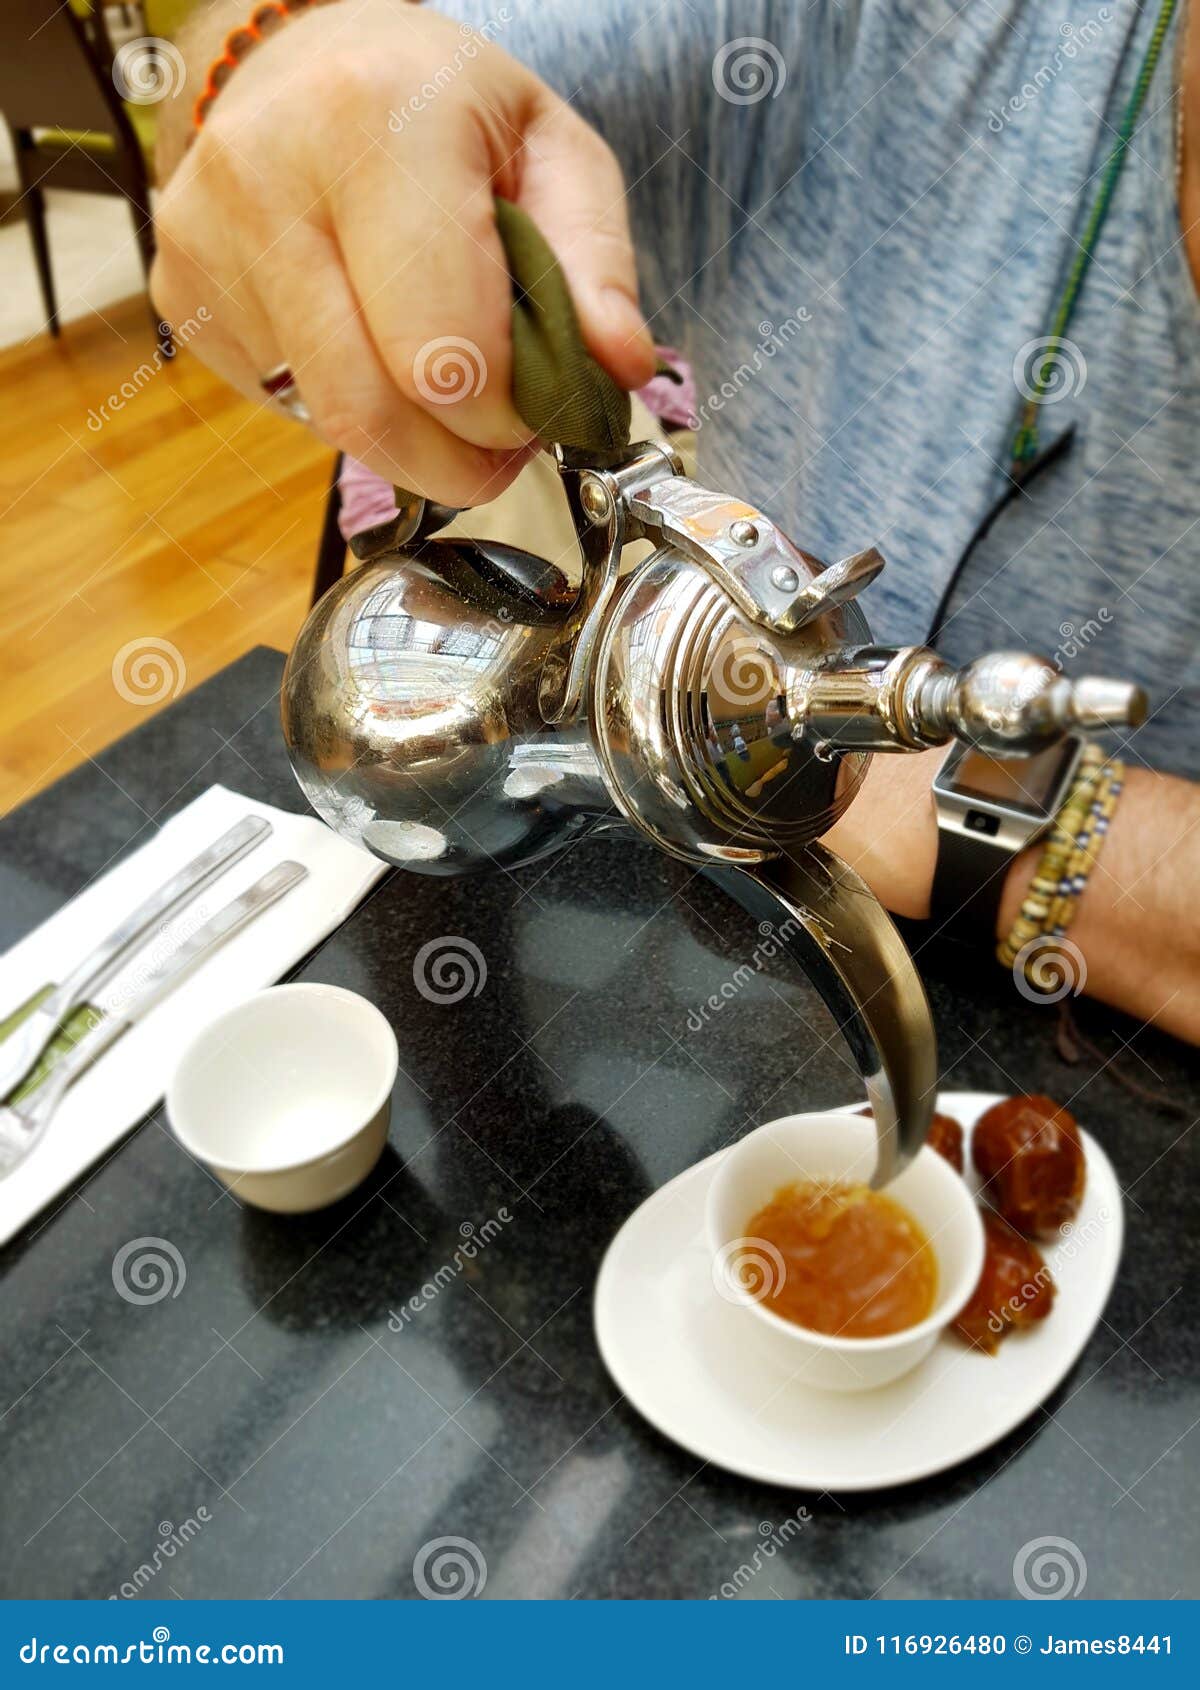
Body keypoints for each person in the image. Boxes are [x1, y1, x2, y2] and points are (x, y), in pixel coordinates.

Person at [150, 0, 1200, 1042]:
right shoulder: (882, 30)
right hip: (729, 950)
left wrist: (1000, 830)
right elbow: (291, 93)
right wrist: (280, 70)